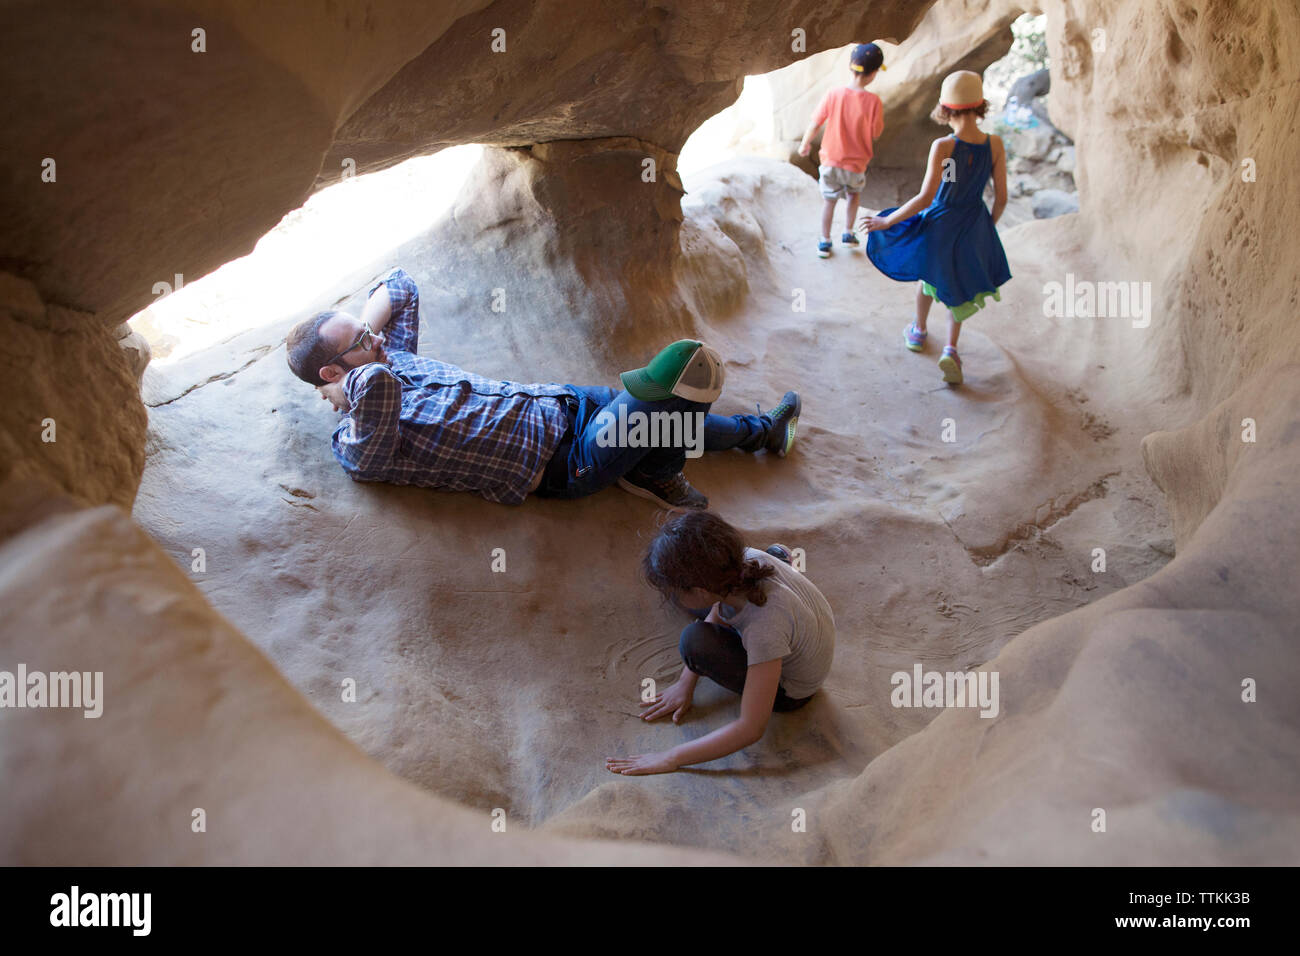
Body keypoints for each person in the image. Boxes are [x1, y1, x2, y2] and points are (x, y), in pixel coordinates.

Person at [285, 268, 802, 510]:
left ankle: (755, 437)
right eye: (360, 340)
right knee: (678, 377)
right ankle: (663, 472)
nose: (376, 340)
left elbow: (399, 286)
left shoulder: (384, 355)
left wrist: (359, 339)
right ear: (333, 374)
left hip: (564, 403)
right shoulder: (358, 441)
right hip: (566, 463)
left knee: (662, 416)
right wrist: (349, 382)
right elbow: (375, 387)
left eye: (368, 331)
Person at [605, 511, 835, 775]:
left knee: (694, 641)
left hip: (795, 689)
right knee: (709, 617)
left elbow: (751, 727)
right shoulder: (743, 559)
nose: (672, 599)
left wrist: (671, 757)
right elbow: (717, 611)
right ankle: (780, 558)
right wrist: (684, 684)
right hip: (798, 620)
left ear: (701, 591)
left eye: (676, 593)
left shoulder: (764, 627)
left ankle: (779, 564)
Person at [860, 70, 1011, 386]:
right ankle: (951, 350)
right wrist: (987, 228)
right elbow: (1001, 197)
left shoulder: (944, 146)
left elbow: (928, 196)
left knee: (929, 277)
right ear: (979, 105)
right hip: (973, 224)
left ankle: (918, 330)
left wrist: (887, 221)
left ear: (946, 108)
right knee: (958, 291)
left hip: (942, 222)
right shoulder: (994, 144)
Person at [798, 42, 886, 259]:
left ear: (850, 66)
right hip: (856, 164)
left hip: (830, 161)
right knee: (853, 196)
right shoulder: (873, 101)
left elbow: (816, 122)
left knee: (829, 201)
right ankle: (848, 233)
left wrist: (805, 144)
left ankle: (825, 241)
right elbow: (876, 133)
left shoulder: (833, 94)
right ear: (874, 74)